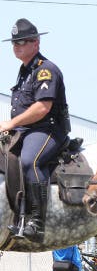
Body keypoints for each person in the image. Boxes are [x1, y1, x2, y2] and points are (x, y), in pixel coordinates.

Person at [0, 18, 70, 243]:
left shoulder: (45, 70)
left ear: (36, 43)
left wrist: (9, 124)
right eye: (14, 43)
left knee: (30, 160)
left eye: (22, 42)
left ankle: (37, 222)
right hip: (25, 131)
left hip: (47, 130)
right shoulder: (24, 71)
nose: (17, 46)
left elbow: (42, 108)